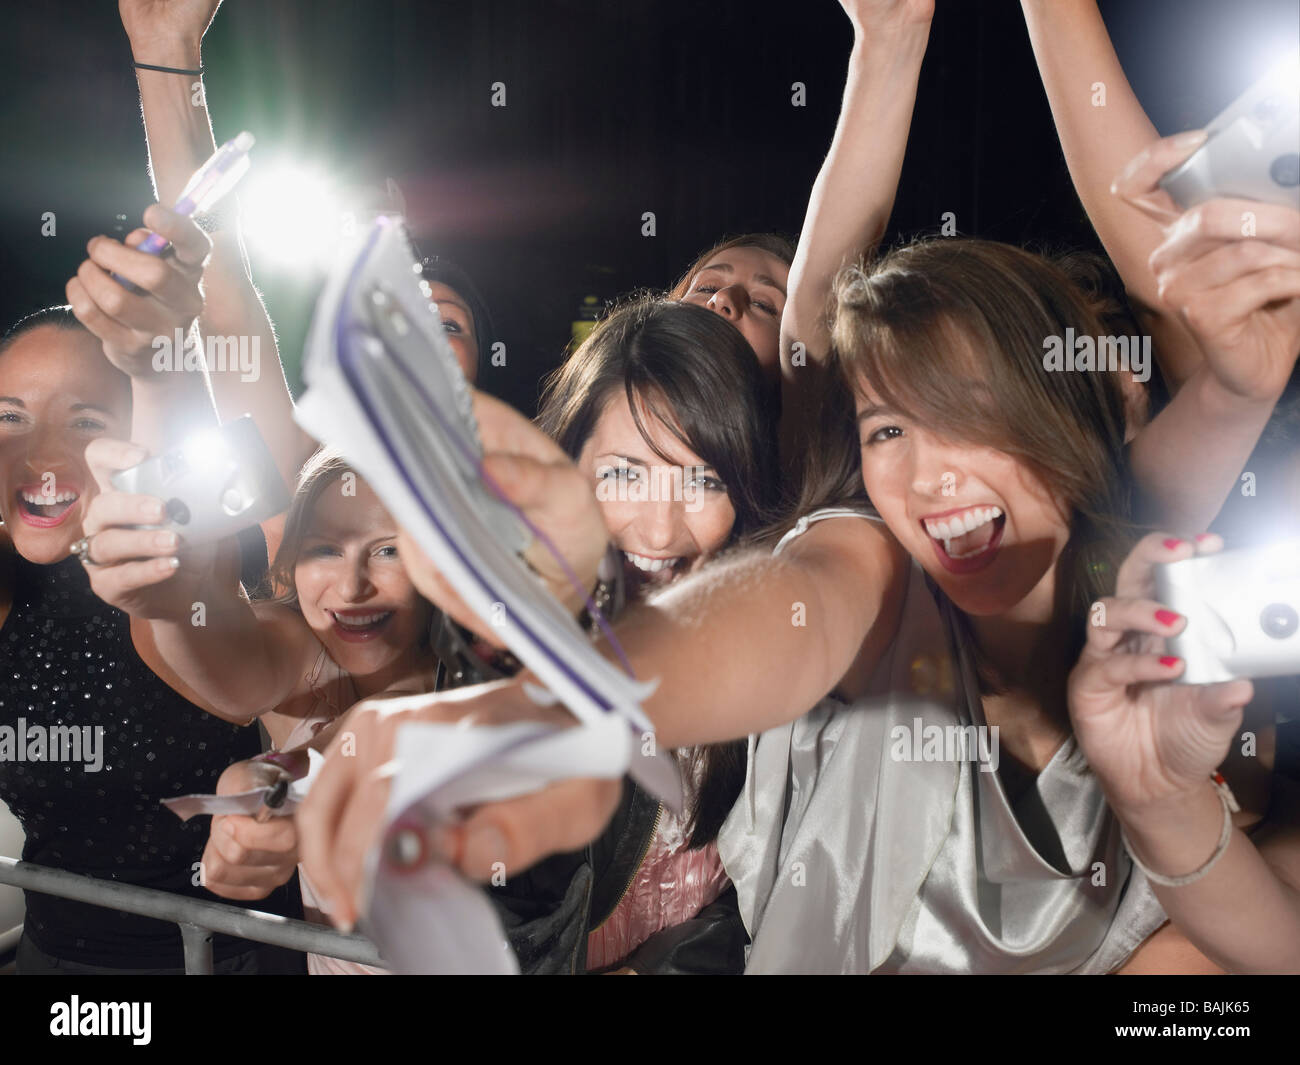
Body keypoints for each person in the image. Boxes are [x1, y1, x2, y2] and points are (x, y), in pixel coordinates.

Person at [298, 218, 1296, 971]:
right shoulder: (870, 569)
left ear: (1072, 418)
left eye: (968, 411)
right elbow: (792, 609)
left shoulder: (1157, 643)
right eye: (888, 429)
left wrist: (1162, 804)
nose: (930, 475)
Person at [0, 224, 297, 973]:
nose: (39, 454)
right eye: (9, 416)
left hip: (228, 960)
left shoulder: (199, 552)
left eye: (86, 419)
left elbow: (181, 570)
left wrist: (156, 369)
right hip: (54, 964)